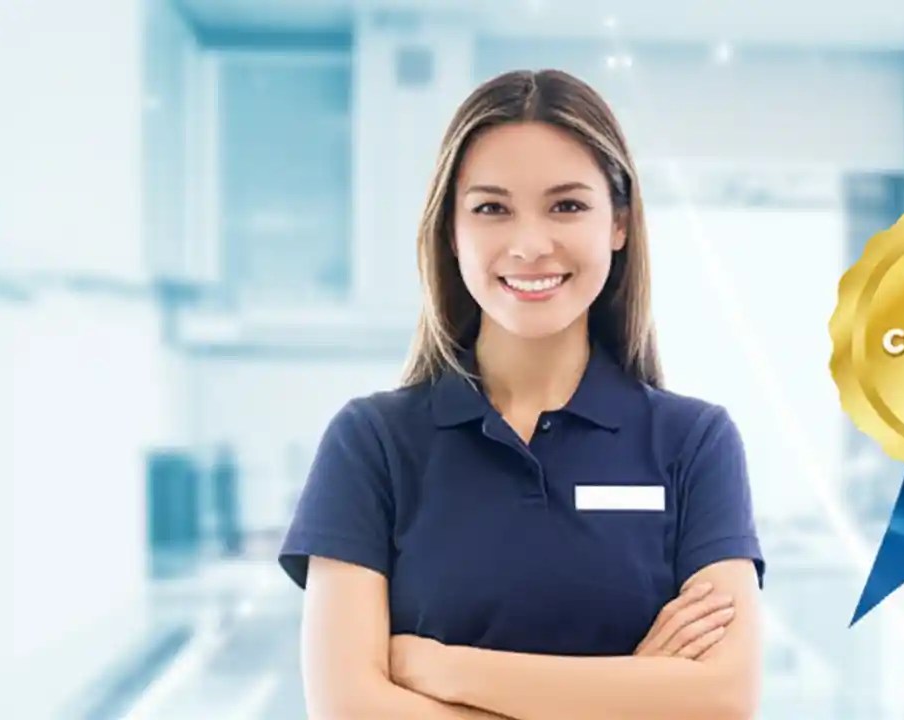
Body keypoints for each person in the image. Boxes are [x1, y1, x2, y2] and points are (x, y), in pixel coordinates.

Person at [278, 68, 767, 720]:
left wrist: (443, 670)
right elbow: (349, 710)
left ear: (618, 224)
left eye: (567, 205)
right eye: (490, 208)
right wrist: (635, 693)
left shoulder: (693, 442)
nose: (530, 244)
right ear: (451, 231)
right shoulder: (372, 442)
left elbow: (722, 700)